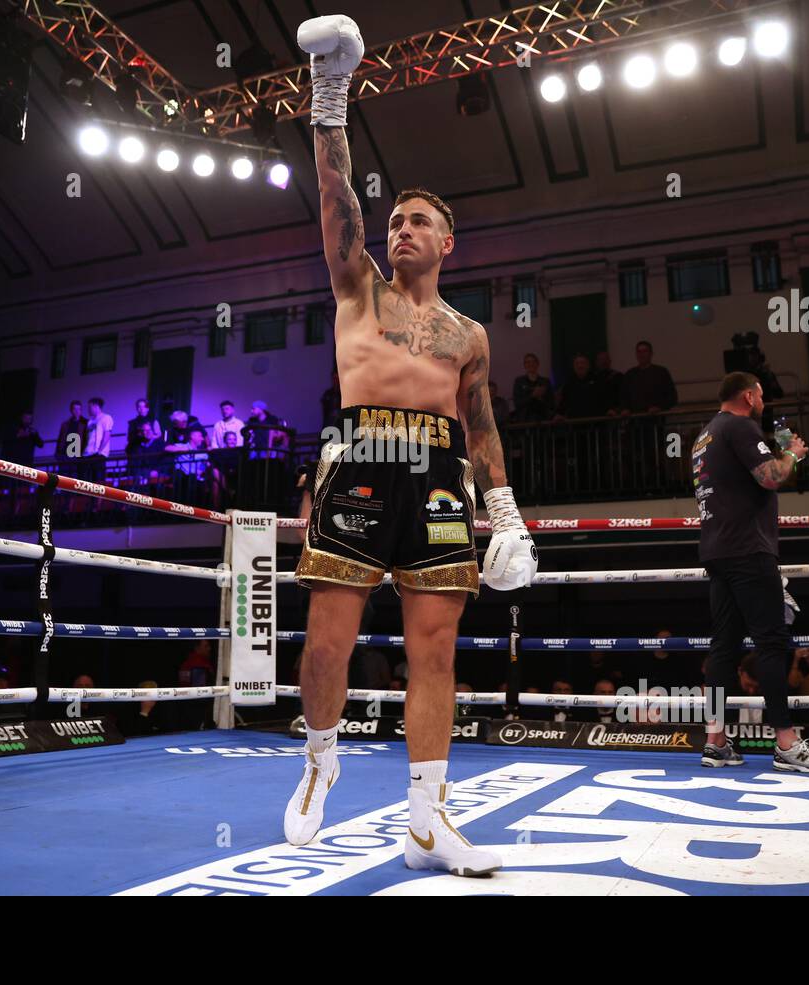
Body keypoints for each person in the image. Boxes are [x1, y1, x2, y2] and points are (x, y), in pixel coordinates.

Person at [288, 11, 539, 879]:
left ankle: (427, 819)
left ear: (447, 241)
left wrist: (506, 515)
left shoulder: (469, 333)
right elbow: (334, 194)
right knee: (328, 643)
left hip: (437, 473)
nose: (401, 227)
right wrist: (332, 94)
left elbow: (481, 425)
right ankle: (322, 758)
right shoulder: (356, 284)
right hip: (358, 459)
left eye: (418, 219)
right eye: (396, 216)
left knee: (435, 648)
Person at [692, 371, 809, 772]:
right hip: (747, 550)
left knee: (723, 648)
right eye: (760, 396)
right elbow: (771, 477)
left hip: (719, 550)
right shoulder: (740, 426)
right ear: (748, 396)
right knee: (771, 642)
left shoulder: (704, 435)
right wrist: (791, 453)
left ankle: (716, 741)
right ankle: (787, 743)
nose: (763, 403)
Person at [619, 340, 677, 414]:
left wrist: (660, 407)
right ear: (636, 354)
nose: (641, 354)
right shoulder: (630, 374)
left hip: (656, 418)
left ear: (651, 353)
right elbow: (624, 396)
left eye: (645, 351)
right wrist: (625, 408)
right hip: (635, 419)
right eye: (639, 352)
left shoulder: (661, 372)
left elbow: (672, 397)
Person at [511, 353, 553, 422]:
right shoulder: (519, 381)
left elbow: (551, 402)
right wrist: (532, 396)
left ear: (537, 364)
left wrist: (541, 398)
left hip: (543, 419)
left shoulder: (545, 382)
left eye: (533, 361)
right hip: (525, 421)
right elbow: (517, 403)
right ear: (524, 365)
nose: (531, 364)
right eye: (528, 362)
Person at [55, 400, 89, 465]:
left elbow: (87, 439)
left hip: (79, 454)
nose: (76, 411)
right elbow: (60, 438)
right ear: (71, 410)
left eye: (78, 409)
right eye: (74, 409)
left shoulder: (85, 423)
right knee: (64, 473)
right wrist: (58, 453)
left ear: (81, 410)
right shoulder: (65, 424)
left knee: (75, 473)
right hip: (65, 454)